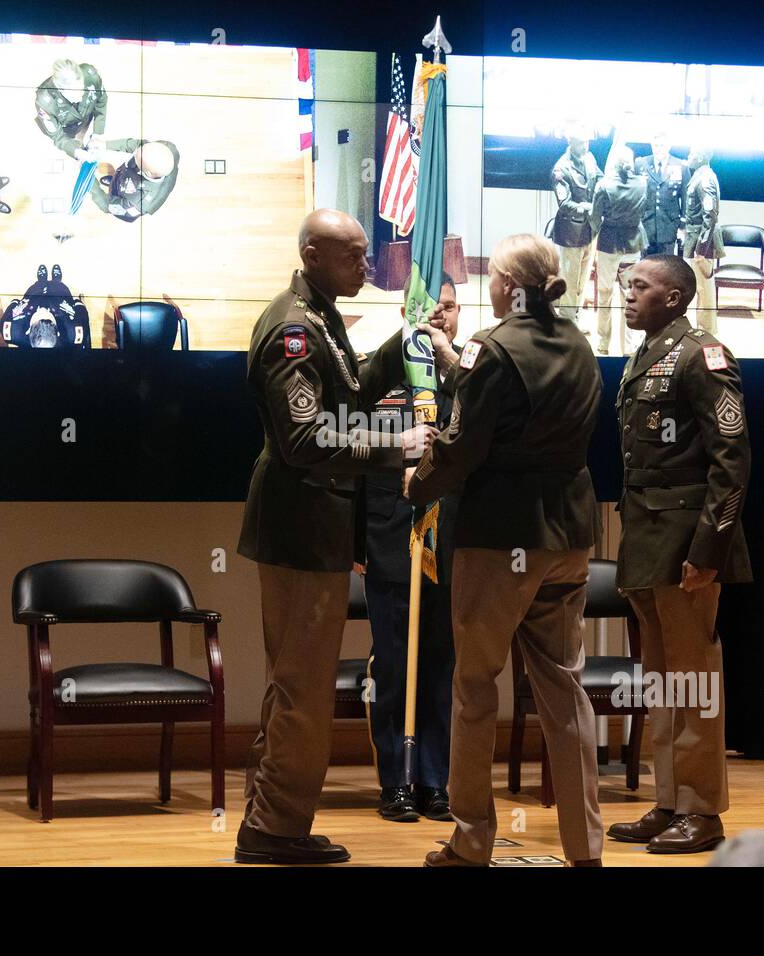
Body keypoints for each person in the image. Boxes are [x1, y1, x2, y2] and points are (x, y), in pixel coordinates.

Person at [235, 209, 437, 865]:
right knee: (302, 691)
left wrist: (403, 343)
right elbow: (303, 439)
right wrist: (395, 446)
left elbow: (344, 401)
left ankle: (275, 820)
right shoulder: (296, 328)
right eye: (354, 256)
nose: (366, 266)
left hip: (312, 526)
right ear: (314, 253)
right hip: (298, 526)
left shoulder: (320, 315)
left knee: (296, 686)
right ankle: (275, 831)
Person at [405, 233, 606, 867]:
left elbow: (463, 448)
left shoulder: (495, 349)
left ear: (509, 286)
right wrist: (451, 359)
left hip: (500, 540)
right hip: (568, 537)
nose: (486, 283)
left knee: (475, 688)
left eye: (492, 274)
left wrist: (417, 482)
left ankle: (470, 841)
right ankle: (586, 849)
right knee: (564, 693)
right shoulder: (580, 345)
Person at [609, 254, 751, 854]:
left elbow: (732, 459)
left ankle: (702, 811)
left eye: (641, 287)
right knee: (663, 684)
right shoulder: (645, 353)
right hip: (646, 537)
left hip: (689, 541)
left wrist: (709, 548)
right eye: (629, 285)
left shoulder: (702, 355)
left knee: (694, 681)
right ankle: (668, 801)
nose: (629, 294)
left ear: (674, 298)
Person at [362, 274, 462, 823]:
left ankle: (434, 781)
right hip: (392, 541)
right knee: (396, 667)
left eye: (448, 307)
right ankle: (395, 782)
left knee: (441, 670)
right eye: (429, 308)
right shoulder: (383, 377)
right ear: (408, 312)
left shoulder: (468, 378)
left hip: (449, 547)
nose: (438, 317)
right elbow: (356, 462)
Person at [590, 144, 647, 355]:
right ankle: (631, 347)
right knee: (631, 295)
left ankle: (603, 343)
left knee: (604, 293)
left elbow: (595, 220)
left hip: (608, 245)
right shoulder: (643, 183)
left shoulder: (603, 185)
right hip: (632, 244)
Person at [549, 130, 601, 325]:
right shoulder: (561, 169)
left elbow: (600, 180)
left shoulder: (589, 158)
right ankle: (567, 323)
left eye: (587, 141)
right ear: (570, 141)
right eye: (580, 142)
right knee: (570, 282)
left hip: (590, 231)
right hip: (571, 233)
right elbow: (564, 203)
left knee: (583, 280)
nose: (585, 146)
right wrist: (589, 207)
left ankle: (575, 320)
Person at [34, 59, 112, 160]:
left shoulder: (91, 75)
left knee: (80, 136)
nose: (80, 97)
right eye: (73, 93)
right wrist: (76, 152)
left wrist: (98, 133)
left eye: (82, 89)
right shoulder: (45, 102)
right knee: (72, 145)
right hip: (67, 129)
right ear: (59, 89)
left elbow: (101, 100)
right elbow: (58, 136)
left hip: (85, 116)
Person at [682, 148, 724, 334]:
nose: (688, 157)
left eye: (691, 154)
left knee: (704, 290)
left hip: (701, 243)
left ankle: (706, 332)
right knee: (699, 288)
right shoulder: (700, 175)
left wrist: (700, 249)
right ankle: (703, 330)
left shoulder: (705, 179)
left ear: (700, 156)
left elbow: (710, 215)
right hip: (695, 238)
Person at [0, 264, 91, 349]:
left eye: (39, 316)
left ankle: (41, 281)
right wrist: (77, 303)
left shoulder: (11, 331)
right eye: (48, 317)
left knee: (37, 287)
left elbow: (8, 313)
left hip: (34, 297)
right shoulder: (73, 334)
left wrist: (15, 302)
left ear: (28, 331)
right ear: (58, 333)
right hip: (59, 297)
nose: (43, 309)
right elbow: (83, 315)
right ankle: (56, 280)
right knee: (59, 287)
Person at [88, 141, 180, 223]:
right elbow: (137, 144)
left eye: (136, 157)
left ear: (146, 173)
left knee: (114, 198)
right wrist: (104, 145)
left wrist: (90, 181)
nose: (134, 153)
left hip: (125, 204)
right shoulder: (166, 149)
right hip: (127, 177)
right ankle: (115, 182)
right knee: (119, 179)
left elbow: (108, 206)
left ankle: (116, 189)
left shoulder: (139, 202)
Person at [638, 133, 687, 257]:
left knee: (666, 267)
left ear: (669, 146)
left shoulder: (680, 166)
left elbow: (685, 197)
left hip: (669, 225)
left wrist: (683, 224)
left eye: (662, 145)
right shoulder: (641, 164)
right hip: (646, 224)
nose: (659, 148)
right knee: (645, 267)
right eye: (656, 145)